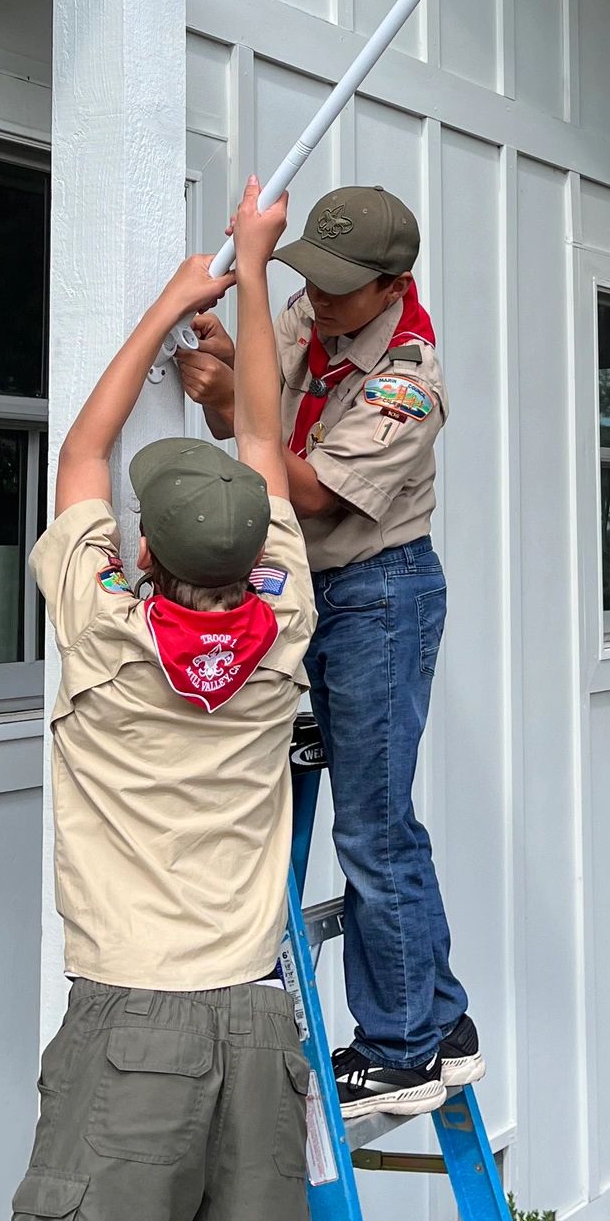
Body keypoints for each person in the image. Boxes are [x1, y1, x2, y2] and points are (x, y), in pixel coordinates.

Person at [0, 183, 334, 1221]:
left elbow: (83, 455)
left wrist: (179, 296)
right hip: (255, 1039)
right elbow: (263, 438)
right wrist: (252, 267)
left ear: (148, 565)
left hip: (134, 1050)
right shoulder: (284, 625)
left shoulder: (107, 645)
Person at [176, 184, 475, 1123]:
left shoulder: (410, 384)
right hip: (322, 593)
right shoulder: (318, 308)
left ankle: (398, 1052)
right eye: (312, 278)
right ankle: (440, 1021)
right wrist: (230, 369)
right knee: (382, 825)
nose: (322, 301)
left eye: (344, 290)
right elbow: (259, 405)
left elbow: (302, 489)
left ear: (395, 286)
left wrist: (247, 321)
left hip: (380, 597)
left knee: (375, 832)